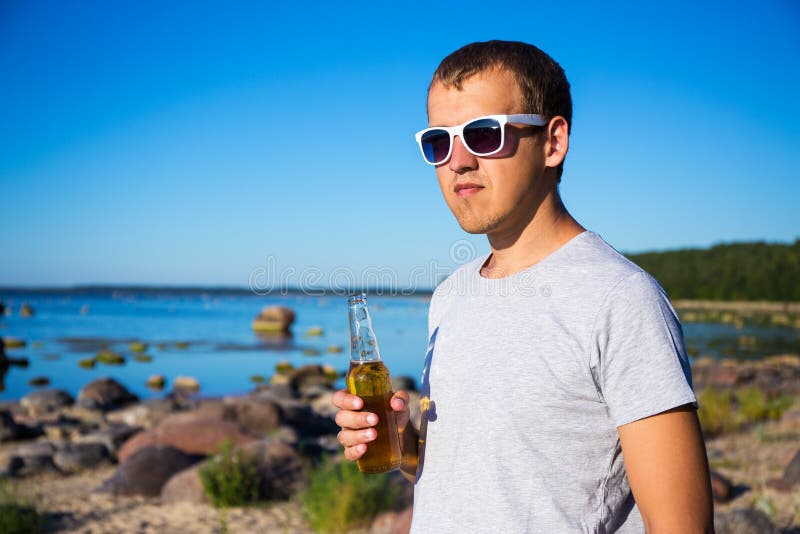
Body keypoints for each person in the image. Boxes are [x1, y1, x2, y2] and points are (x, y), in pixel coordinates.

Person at [333, 40, 714, 533]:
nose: (458, 161)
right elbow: (466, 477)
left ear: (553, 142)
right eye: (438, 142)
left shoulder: (620, 300)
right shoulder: (451, 296)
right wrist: (402, 444)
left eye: (484, 134)